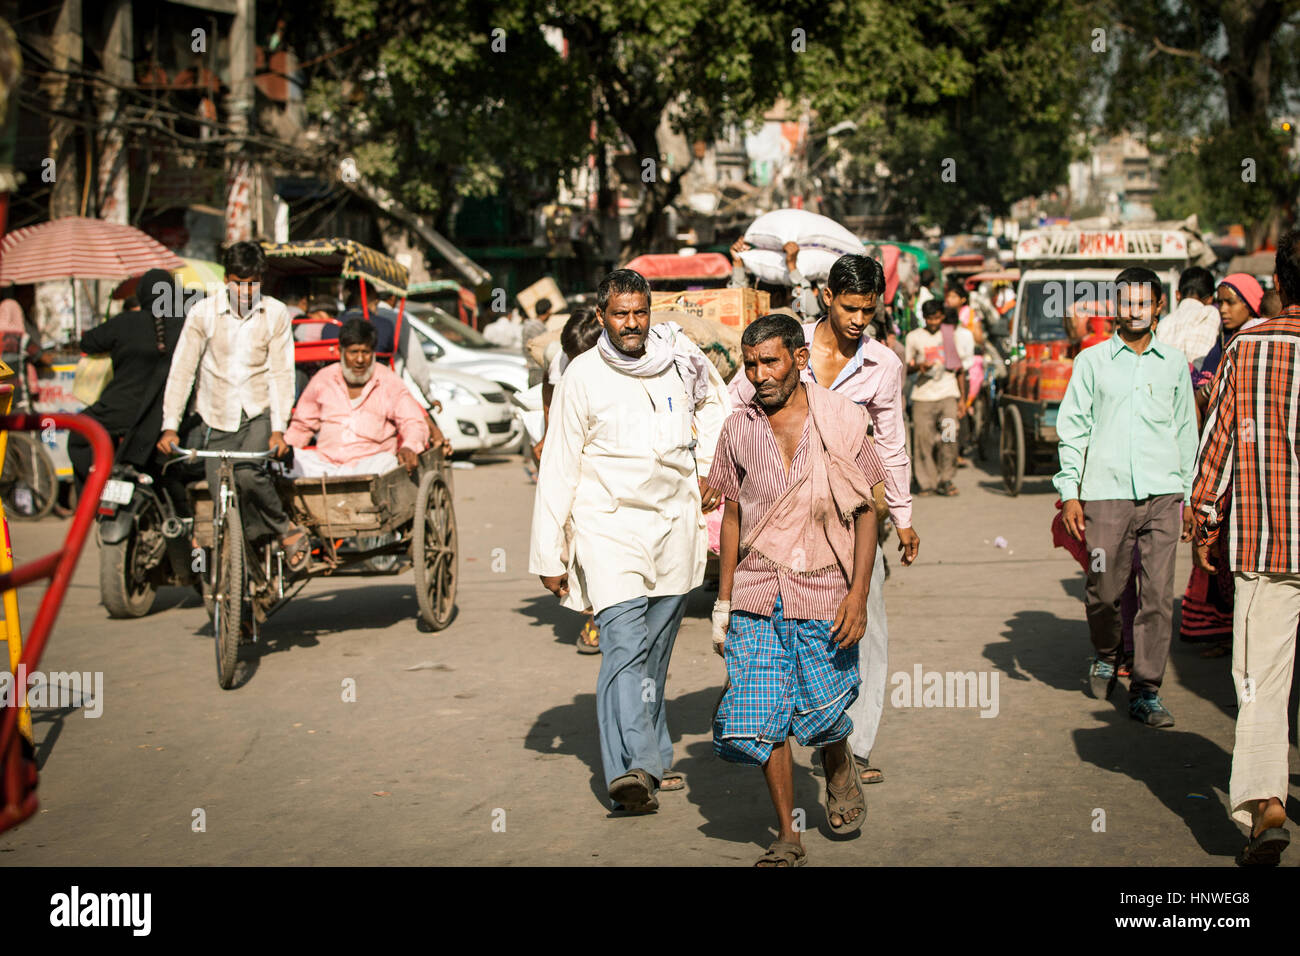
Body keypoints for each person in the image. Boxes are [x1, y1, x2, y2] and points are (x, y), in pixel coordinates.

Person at [529, 268, 728, 812]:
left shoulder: (678, 361)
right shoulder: (582, 377)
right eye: (621, 314)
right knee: (621, 647)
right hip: (607, 527)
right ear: (602, 318)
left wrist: (710, 466)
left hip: (672, 525)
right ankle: (632, 770)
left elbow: (716, 407)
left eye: (640, 312)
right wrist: (550, 551)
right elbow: (559, 466)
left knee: (656, 653)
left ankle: (655, 753)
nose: (633, 323)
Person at [729, 252, 919, 787]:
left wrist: (901, 516)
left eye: (870, 310)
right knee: (785, 622)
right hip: (782, 516)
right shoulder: (785, 351)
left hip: (852, 515)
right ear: (827, 298)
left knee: (867, 618)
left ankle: (852, 746)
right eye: (851, 307)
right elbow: (736, 408)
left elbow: (893, 443)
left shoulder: (883, 365)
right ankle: (800, 725)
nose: (860, 320)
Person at [708, 314, 884, 866]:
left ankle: (837, 762)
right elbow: (731, 515)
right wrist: (724, 597)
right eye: (750, 363)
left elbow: (868, 511)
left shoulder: (844, 420)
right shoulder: (738, 428)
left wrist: (858, 594)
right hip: (758, 592)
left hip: (823, 587)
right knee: (765, 715)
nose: (759, 374)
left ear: (800, 359)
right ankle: (787, 834)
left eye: (771, 361)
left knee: (824, 710)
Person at [1191, 228, 1300, 866]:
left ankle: (1268, 808)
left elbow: (1219, 441)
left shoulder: (1250, 347)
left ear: (1279, 284)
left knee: (1261, 681)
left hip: (1267, 542)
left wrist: (1204, 516)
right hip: (1269, 538)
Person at [1055, 267, 1198, 727]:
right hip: (1104, 494)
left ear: (1158, 306)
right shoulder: (1092, 362)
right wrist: (1071, 491)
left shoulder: (1175, 364)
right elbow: (1074, 428)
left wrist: (1192, 496)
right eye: (1125, 301)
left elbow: (1186, 433)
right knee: (1103, 590)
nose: (1134, 310)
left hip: (1163, 494)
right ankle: (1105, 651)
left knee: (1157, 594)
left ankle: (1146, 689)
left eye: (1143, 301)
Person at [156, 240, 312, 572]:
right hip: (214, 416)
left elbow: (283, 374)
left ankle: (284, 528)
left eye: (253, 283)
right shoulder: (202, 313)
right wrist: (170, 425)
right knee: (219, 494)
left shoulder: (275, 313)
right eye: (239, 283)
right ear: (227, 280)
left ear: (261, 281)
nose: (245, 291)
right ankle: (243, 574)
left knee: (248, 473)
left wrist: (279, 430)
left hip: (258, 413)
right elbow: (182, 370)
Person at [67, 269, 188, 494]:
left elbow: (88, 342)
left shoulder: (125, 322)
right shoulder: (186, 325)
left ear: (141, 295)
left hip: (116, 410)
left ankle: (99, 487)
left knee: (80, 435)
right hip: (163, 418)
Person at [284, 318, 447, 478]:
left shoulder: (388, 380)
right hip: (325, 466)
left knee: (387, 463)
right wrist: (286, 450)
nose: (360, 360)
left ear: (373, 353)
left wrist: (409, 447)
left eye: (366, 352)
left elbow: (412, 422)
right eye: (354, 352)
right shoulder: (323, 379)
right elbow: (301, 426)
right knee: (286, 463)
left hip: (370, 466)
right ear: (341, 352)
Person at [533, 307, 604, 655]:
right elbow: (549, 399)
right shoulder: (558, 360)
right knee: (574, 533)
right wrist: (548, 438)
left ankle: (609, 614)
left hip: (602, 458)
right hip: (568, 452)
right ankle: (592, 613)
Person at [905, 298, 965, 496]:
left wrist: (962, 400)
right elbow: (907, 367)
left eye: (936, 318)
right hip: (923, 397)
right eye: (929, 318)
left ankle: (946, 478)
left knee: (949, 436)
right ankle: (926, 482)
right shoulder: (913, 337)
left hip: (947, 394)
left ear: (942, 316)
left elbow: (959, 369)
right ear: (924, 318)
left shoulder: (950, 334)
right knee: (923, 441)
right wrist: (918, 367)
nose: (933, 322)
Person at [1155, 266, 1219, 371]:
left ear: (1177, 295)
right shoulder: (1211, 313)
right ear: (1210, 299)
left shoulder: (1164, 323)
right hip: (1197, 381)